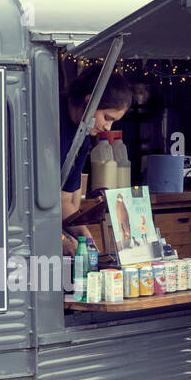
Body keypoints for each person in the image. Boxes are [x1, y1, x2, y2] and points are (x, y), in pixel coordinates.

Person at [60, 68, 132, 253]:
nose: (108, 127)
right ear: (89, 101)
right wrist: (60, 240)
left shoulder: (82, 139)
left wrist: (88, 241)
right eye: (107, 118)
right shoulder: (49, 121)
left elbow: (64, 201)